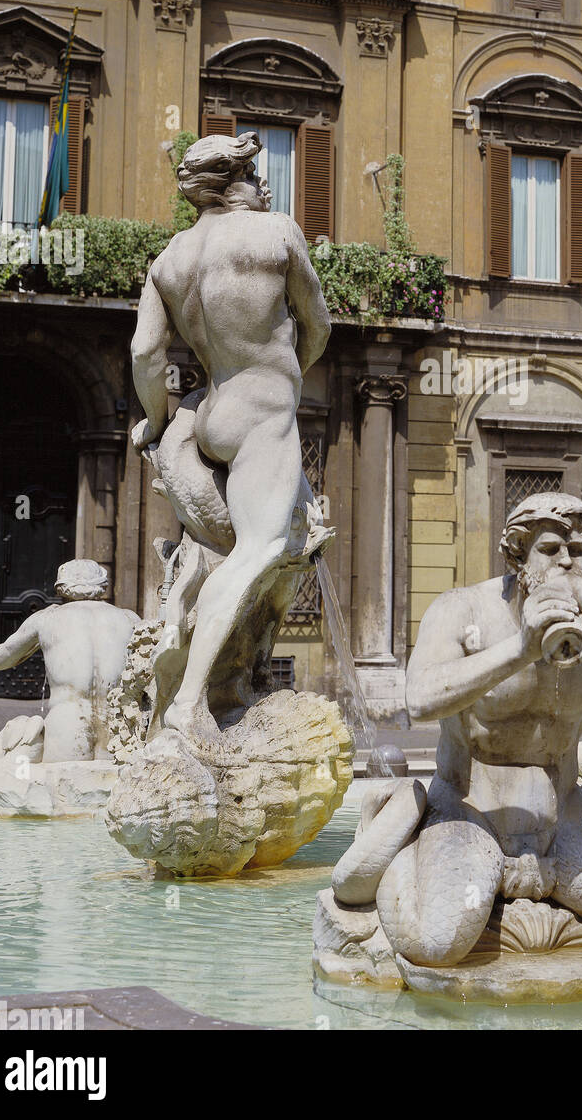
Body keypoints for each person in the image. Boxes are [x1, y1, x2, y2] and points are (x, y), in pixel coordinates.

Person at [370, 492, 582, 966]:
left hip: (562, 814)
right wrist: (522, 649)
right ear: (518, 557)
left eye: (578, 552)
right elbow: (420, 699)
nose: (566, 562)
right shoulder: (463, 610)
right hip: (472, 811)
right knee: (439, 944)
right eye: (550, 550)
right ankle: (404, 855)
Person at [130, 131, 331, 736]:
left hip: (207, 409)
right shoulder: (278, 232)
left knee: (224, 548)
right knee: (260, 550)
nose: (264, 183)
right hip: (262, 407)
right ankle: (190, 701)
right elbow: (317, 323)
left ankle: (179, 622)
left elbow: (145, 351)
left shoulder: (170, 258)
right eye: (252, 170)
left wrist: (160, 420)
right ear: (232, 181)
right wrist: (288, 373)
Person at [0, 559, 139, 762]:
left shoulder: (46, 619)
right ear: (102, 585)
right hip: (118, 728)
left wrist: (35, 641)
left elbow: (0, 660)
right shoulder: (129, 619)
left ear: (61, 587)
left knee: (57, 791)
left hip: (68, 726)